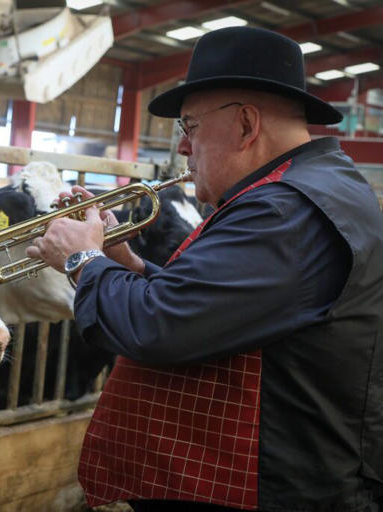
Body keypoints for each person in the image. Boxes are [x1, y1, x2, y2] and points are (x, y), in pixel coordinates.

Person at [26, 26, 383, 512]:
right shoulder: (308, 189)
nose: (183, 149)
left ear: (245, 125)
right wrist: (124, 262)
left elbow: (159, 327)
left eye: (189, 127)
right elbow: (215, 308)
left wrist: (81, 258)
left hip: (275, 487)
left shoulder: (283, 210)